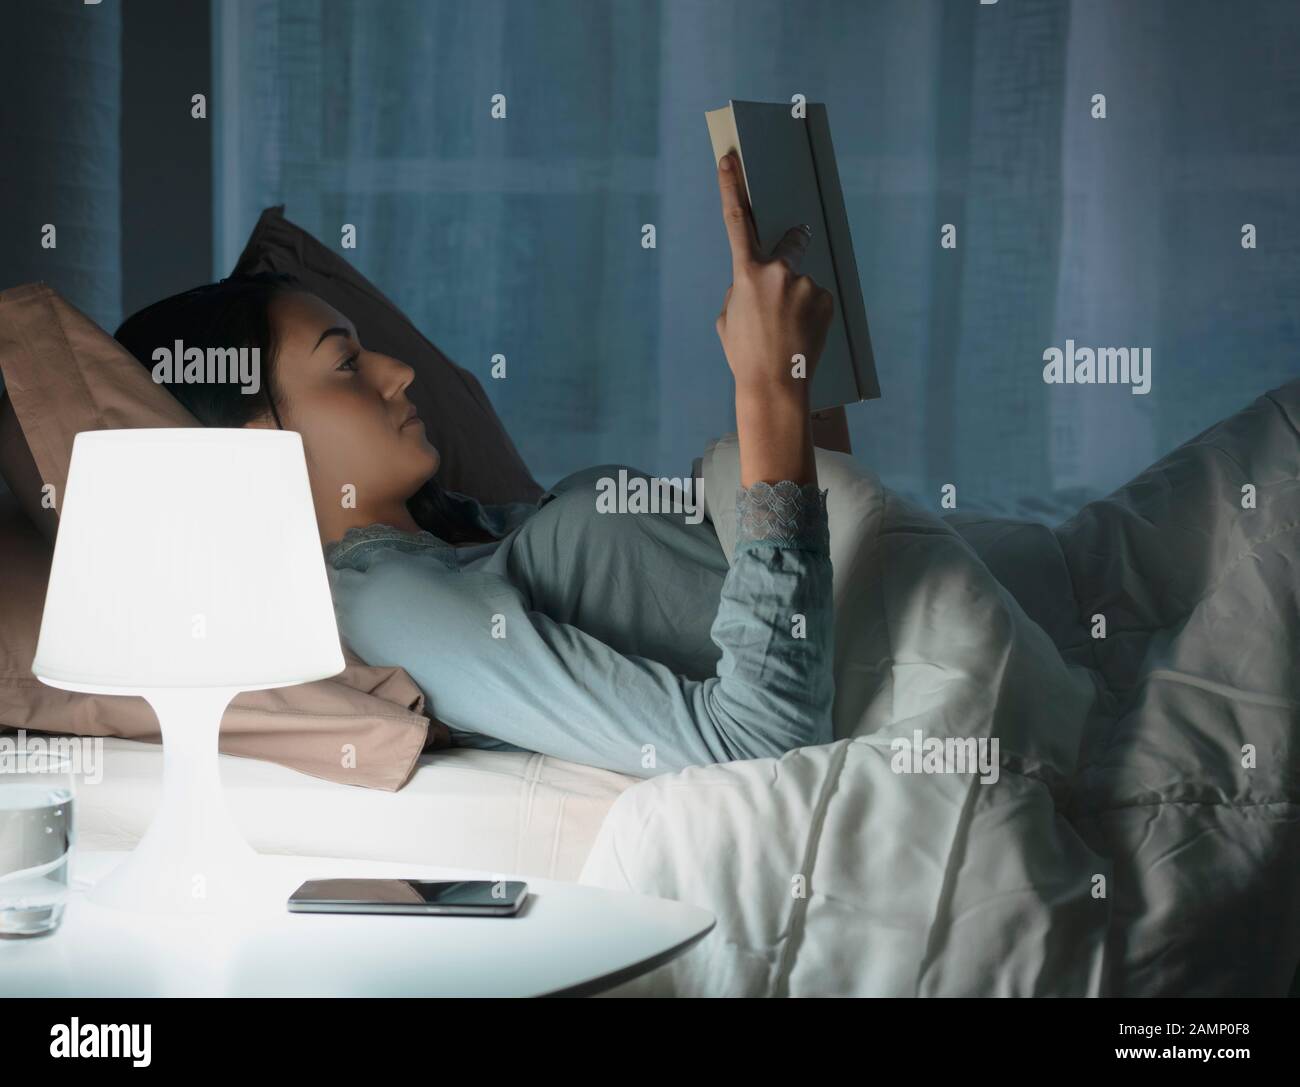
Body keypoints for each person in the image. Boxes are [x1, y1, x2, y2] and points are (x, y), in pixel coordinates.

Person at [114, 151, 837, 777]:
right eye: (344, 363)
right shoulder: (385, 607)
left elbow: (806, 572)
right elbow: (762, 742)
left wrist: (803, 361)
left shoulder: (471, 534)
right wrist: (769, 385)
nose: (398, 371)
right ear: (252, 446)